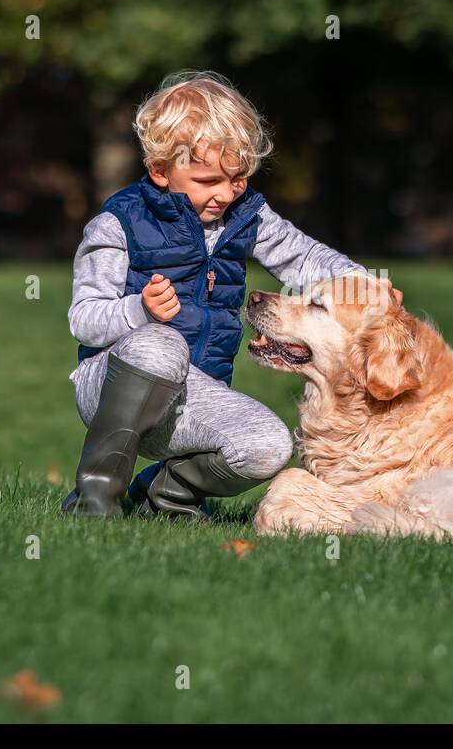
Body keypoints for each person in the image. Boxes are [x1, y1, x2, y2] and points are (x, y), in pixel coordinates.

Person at [61, 69, 397, 520]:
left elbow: (305, 259)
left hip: (193, 396)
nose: (225, 193)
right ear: (160, 170)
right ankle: (93, 499)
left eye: (238, 178)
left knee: (270, 447)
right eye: (208, 181)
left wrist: (365, 284)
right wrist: (138, 309)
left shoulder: (245, 217)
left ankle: (164, 496)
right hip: (113, 385)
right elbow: (84, 318)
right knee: (162, 343)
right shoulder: (118, 223)